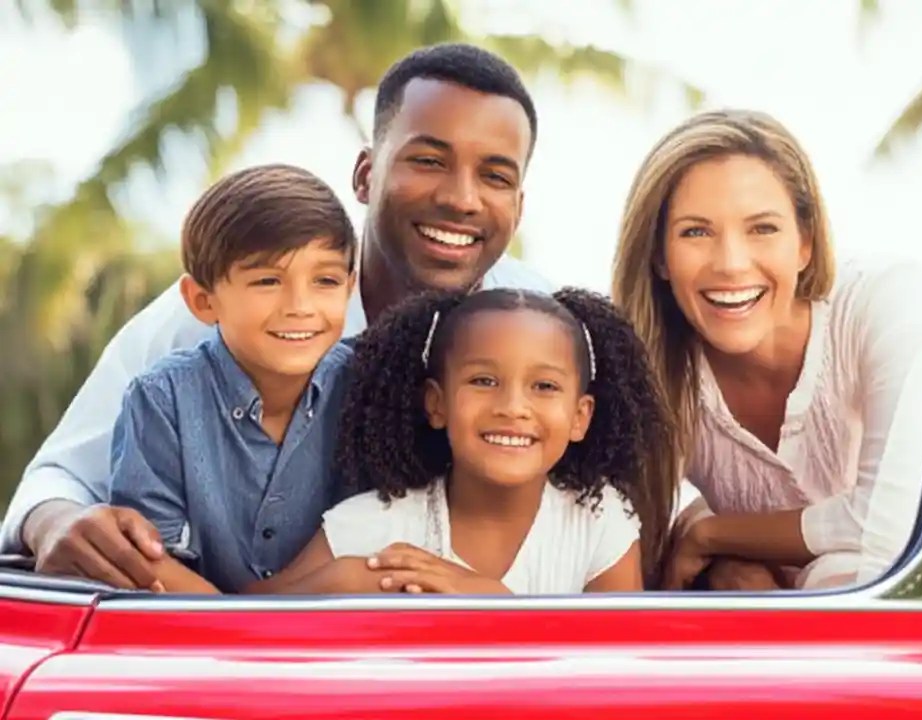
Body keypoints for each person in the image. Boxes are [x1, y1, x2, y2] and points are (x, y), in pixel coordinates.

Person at [1, 43, 552, 589]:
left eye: (495, 177)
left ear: (519, 206)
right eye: (428, 160)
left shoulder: (547, 329)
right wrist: (56, 521)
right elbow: (61, 478)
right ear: (365, 175)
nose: (461, 198)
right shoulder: (219, 310)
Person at [610, 109, 922, 591]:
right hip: (755, 643)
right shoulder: (642, 365)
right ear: (659, 257)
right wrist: (725, 563)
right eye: (696, 232)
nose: (730, 263)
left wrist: (715, 535)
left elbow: (891, 528)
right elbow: (611, 544)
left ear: (805, 243)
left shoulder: (886, 299)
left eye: (762, 229)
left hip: (882, 632)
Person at [248, 287, 677, 595]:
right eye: (483, 380)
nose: (512, 407)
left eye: (544, 386)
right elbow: (243, 621)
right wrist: (335, 584)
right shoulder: (374, 524)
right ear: (437, 404)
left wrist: (494, 607)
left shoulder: (598, 519)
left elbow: (615, 669)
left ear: (580, 417)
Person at [107, 164, 356, 594]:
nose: (300, 306)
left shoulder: (364, 388)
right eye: (267, 280)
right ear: (203, 300)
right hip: (198, 647)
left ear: (350, 287)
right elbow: (151, 561)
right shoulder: (162, 400)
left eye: (325, 281)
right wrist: (243, 636)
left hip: (337, 644)